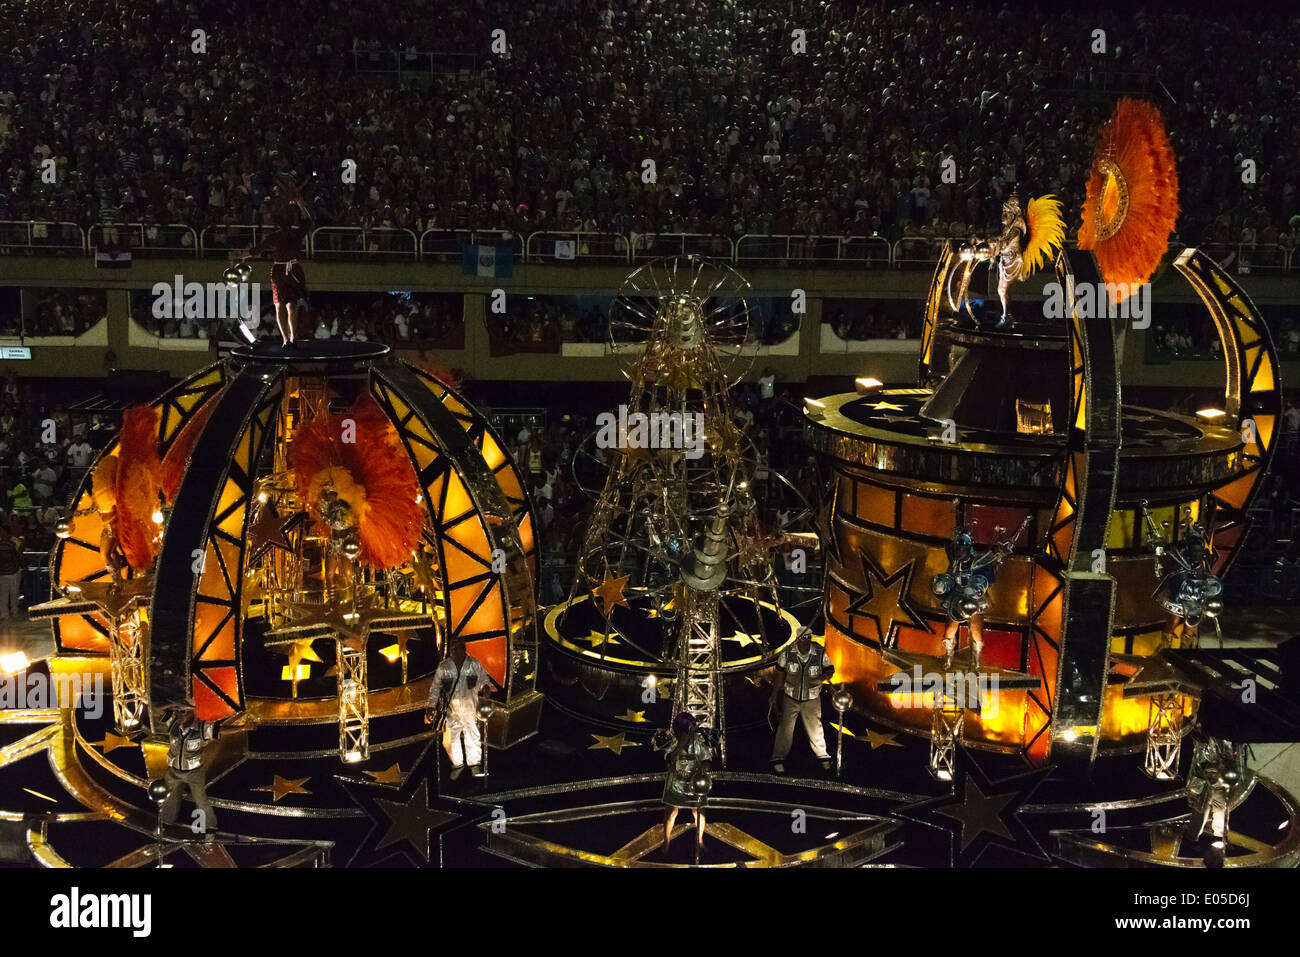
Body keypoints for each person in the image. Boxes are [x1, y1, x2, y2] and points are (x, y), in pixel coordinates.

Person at [769, 625, 834, 774]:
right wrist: (773, 695)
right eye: (802, 639)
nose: (804, 643)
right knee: (785, 728)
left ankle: (823, 756)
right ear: (797, 639)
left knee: (815, 728)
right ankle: (778, 758)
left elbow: (830, 669)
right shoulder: (787, 653)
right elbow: (779, 674)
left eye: (807, 639)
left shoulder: (819, 652)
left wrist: (822, 678)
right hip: (790, 697)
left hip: (811, 698)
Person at [427, 637, 494, 780]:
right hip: (452, 709)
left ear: (464, 648)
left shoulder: (474, 664)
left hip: (470, 706)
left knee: (472, 734)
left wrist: (486, 688)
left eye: (458, 648)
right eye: (453, 648)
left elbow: (484, 679)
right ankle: (458, 765)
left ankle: (474, 764)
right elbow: (435, 688)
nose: (455, 651)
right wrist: (431, 706)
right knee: (453, 738)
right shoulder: (444, 667)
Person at [159, 704, 221, 840]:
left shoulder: (202, 728)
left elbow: (221, 730)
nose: (179, 714)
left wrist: (242, 727)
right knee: (171, 797)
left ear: (193, 712)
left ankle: (210, 828)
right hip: (174, 770)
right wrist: (170, 705)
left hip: (194, 772)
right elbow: (158, 709)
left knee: (200, 799)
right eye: (177, 711)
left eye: (183, 711)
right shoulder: (173, 723)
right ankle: (165, 823)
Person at [662, 712, 711, 851]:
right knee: (671, 813)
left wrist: (704, 767)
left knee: (699, 813)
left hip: (694, 783)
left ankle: (700, 840)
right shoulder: (672, 742)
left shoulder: (698, 742)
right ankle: (666, 842)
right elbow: (669, 760)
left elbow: (707, 760)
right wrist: (681, 743)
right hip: (676, 784)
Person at [0, 528, 21, 620]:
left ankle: (5, 613)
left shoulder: (12, 543)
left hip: (5, 573)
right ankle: (13, 611)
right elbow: (18, 557)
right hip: (13, 572)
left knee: (4, 594)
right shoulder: (14, 543)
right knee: (13, 593)